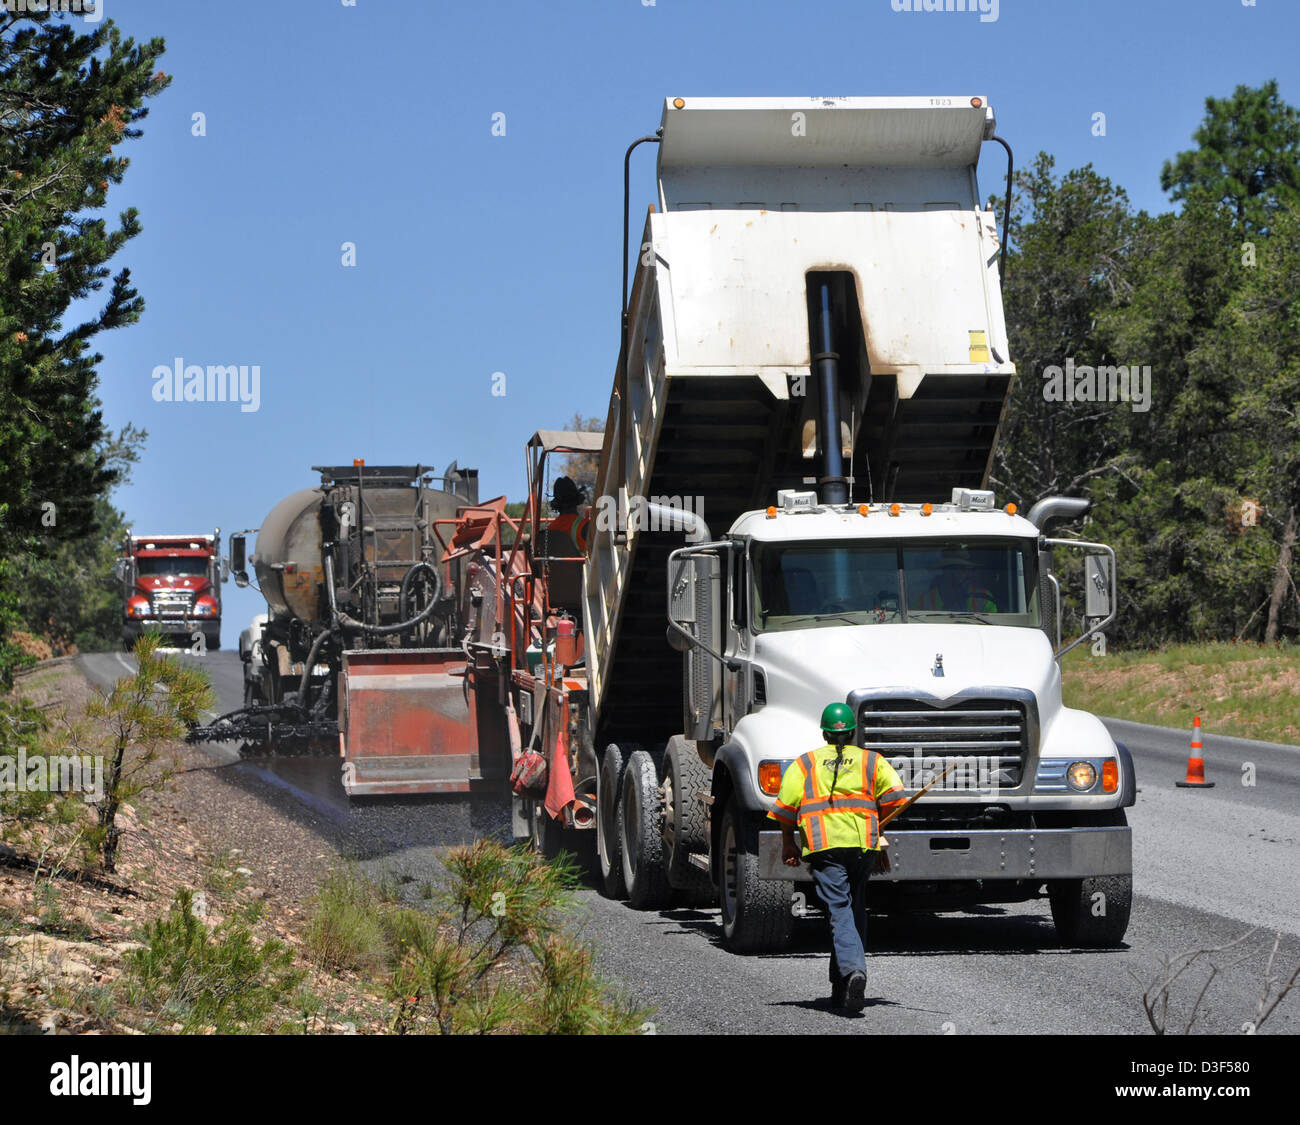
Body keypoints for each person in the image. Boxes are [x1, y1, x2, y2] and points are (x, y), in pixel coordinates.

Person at [768, 703, 906, 1012]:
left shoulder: (806, 764)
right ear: (853, 731)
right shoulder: (872, 761)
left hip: (825, 846)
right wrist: (877, 826)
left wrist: (788, 843)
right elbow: (897, 798)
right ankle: (841, 987)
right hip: (863, 847)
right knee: (854, 911)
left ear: (825, 732)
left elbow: (785, 808)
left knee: (839, 910)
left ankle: (854, 970)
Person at [913, 553, 997, 612]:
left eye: (964, 569)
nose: (966, 574)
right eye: (953, 569)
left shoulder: (984, 599)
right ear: (944, 571)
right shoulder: (924, 602)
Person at [544, 476, 591, 555]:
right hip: (581, 567)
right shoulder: (585, 526)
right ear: (577, 500)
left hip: (555, 567)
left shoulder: (549, 530)